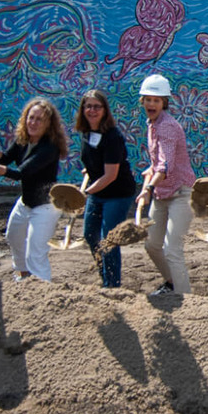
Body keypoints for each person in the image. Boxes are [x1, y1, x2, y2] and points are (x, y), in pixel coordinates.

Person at [0, 98, 67, 282]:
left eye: (39, 119)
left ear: (48, 124)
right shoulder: (23, 141)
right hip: (26, 202)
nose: (33, 123)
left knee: (36, 252)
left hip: (45, 206)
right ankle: (22, 275)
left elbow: (20, 173)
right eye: (30, 117)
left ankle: (42, 289)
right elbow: (6, 159)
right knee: (13, 237)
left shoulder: (50, 148)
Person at [137, 74, 196, 296]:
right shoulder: (151, 125)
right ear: (142, 101)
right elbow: (157, 163)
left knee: (172, 250)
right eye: (148, 100)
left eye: (156, 100)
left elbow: (166, 165)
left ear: (164, 103)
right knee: (152, 245)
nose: (151, 104)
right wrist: (150, 174)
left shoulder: (168, 126)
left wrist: (147, 189)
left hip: (181, 193)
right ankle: (172, 283)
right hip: (162, 192)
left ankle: (185, 300)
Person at [73, 89, 137, 288]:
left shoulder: (112, 136)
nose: (92, 110)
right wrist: (89, 170)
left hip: (117, 192)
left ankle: (113, 285)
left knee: (109, 238)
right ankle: (104, 275)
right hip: (98, 190)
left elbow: (111, 175)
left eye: (96, 107)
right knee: (90, 234)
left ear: (104, 110)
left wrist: (84, 193)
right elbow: (95, 159)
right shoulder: (86, 133)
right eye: (88, 106)